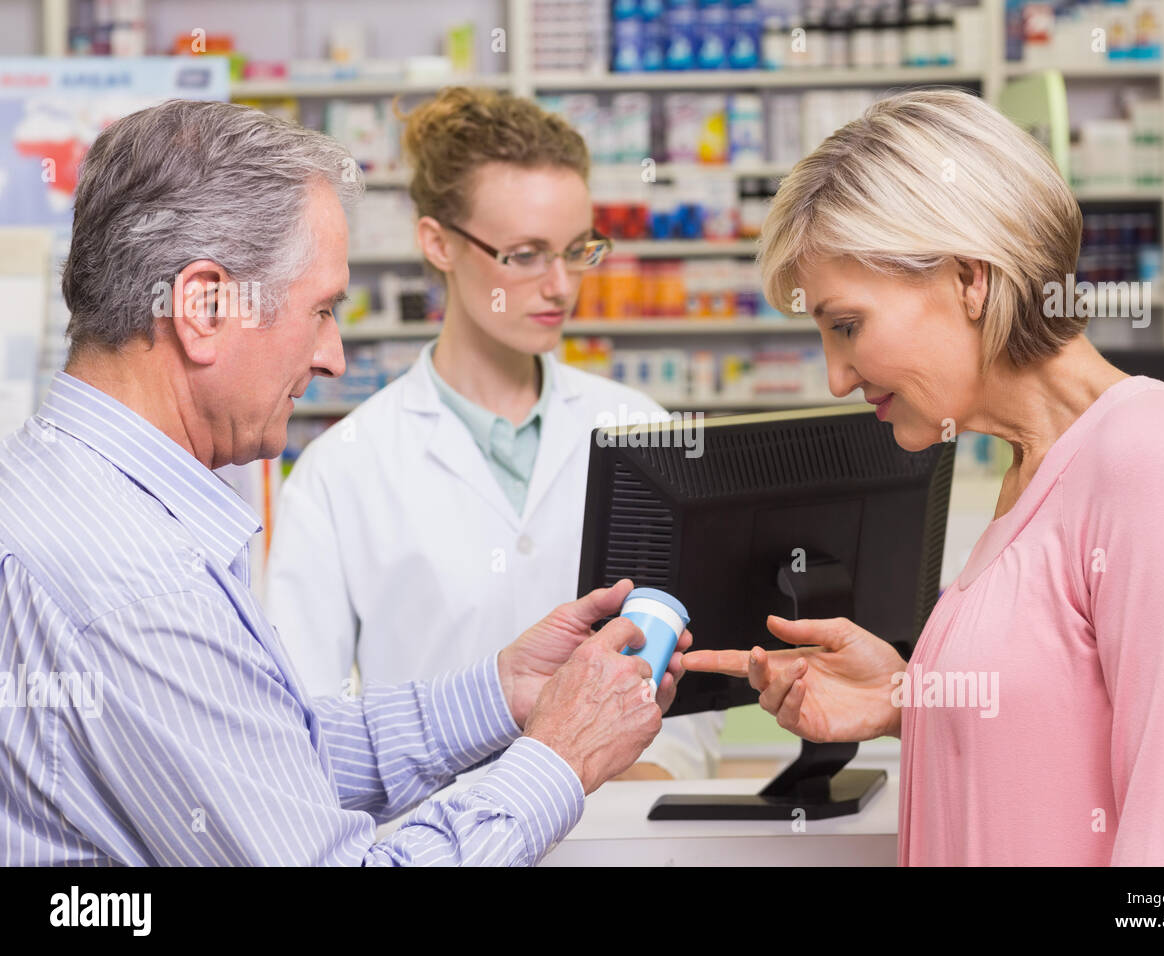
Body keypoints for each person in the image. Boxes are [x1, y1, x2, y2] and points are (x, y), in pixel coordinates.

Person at [0, 98, 688, 866]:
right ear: (201, 306)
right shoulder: (138, 583)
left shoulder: (69, 489)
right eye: (321, 309)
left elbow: (271, 760)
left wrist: (502, 695)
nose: (332, 355)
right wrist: (560, 757)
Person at [684, 88, 1164, 866]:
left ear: (969, 277)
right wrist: (909, 696)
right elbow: (1057, 731)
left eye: (847, 326)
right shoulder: (1028, 470)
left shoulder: (1152, 456)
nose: (836, 375)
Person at [265, 87, 724, 781]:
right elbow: (299, 721)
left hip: (621, 836)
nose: (561, 285)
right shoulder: (341, 471)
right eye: (526, 255)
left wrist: (662, 772)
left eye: (577, 250)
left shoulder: (641, 430)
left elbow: (691, 665)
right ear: (438, 243)